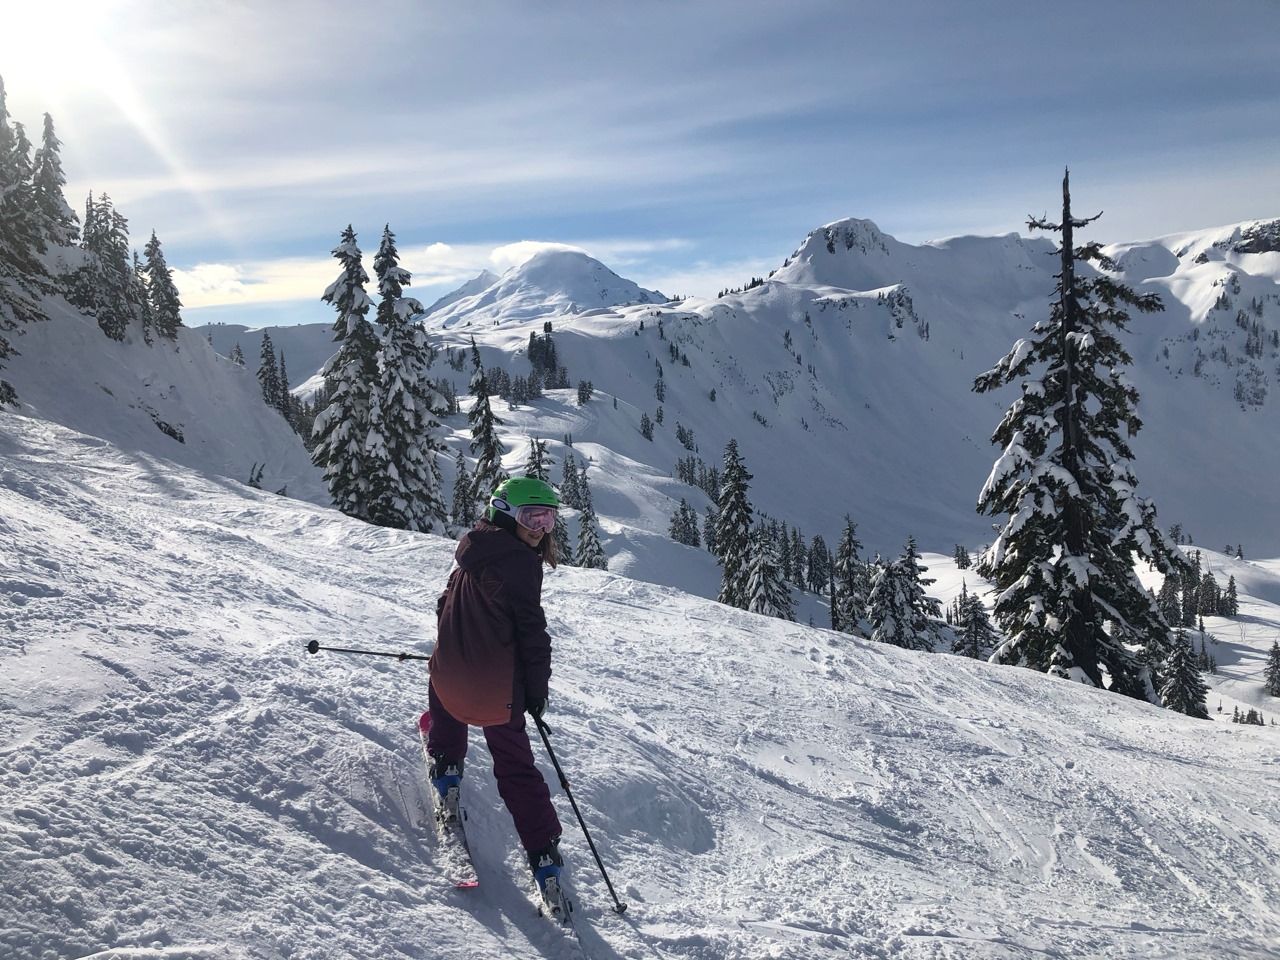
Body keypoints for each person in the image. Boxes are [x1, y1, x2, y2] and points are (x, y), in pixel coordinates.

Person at [424, 476, 565, 897]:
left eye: (549, 518)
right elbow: (532, 637)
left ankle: (446, 765)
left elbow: (444, 606)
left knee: (445, 695)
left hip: (447, 675)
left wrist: (460, 647)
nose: (541, 528)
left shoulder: (472, 549)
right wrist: (535, 692)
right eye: (532, 516)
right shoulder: (521, 564)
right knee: (515, 766)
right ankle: (542, 852)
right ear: (505, 515)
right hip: (496, 696)